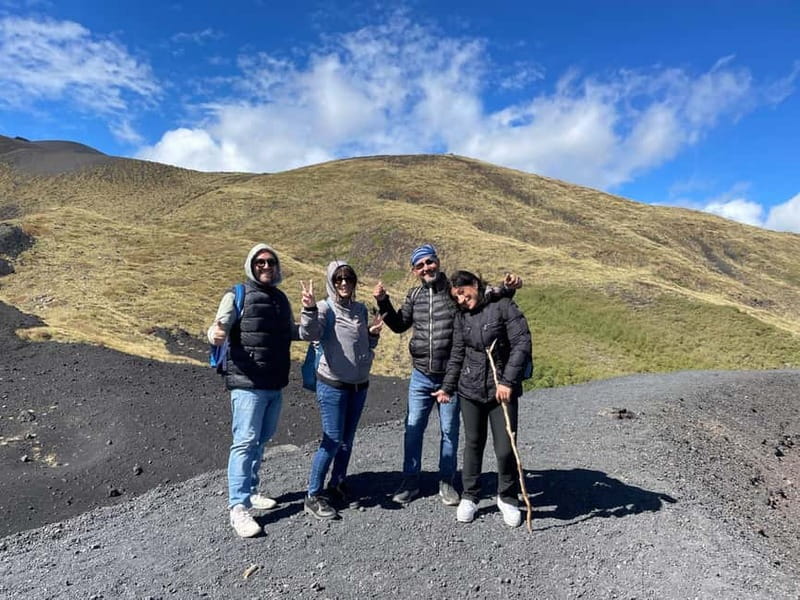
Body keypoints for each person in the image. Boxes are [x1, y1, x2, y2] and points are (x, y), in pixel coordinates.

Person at [373, 243, 521, 506]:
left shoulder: (453, 292)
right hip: (420, 375)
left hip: (450, 376)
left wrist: (509, 287)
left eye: (429, 262)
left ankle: (447, 481)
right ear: (414, 271)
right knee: (413, 429)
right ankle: (410, 481)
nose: (426, 268)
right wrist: (383, 301)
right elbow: (399, 325)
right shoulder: (414, 295)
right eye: (419, 265)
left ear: (437, 261)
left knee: (450, 431)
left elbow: (486, 293)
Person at [208, 243, 320, 538]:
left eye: (271, 262)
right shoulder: (236, 295)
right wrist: (214, 334)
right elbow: (219, 327)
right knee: (244, 442)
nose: (266, 266)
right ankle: (238, 507)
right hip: (247, 385)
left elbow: (298, 333)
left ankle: (251, 491)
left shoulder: (280, 299)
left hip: (273, 383)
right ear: (251, 265)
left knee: (260, 440)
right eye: (260, 262)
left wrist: (310, 310)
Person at [433, 270, 532, 528]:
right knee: (473, 443)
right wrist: (447, 387)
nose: (462, 300)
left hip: (502, 391)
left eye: (463, 293)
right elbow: (457, 353)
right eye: (456, 298)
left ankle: (507, 497)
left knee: (505, 447)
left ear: (475, 284)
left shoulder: (503, 305)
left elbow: (522, 342)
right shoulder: (461, 316)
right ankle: (470, 496)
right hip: (470, 389)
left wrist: (507, 381)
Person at [303, 261, 384, 520]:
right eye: (338, 279)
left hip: (359, 384)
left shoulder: (360, 309)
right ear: (331, 282)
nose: (344, 283)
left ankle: (337, 483)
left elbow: (364, 345)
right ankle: (313, 495)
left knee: (347, 439)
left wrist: (373, 335)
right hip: (333, 384)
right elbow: (309, 333)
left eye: (349, 278)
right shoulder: (324, 308)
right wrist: (309, 308)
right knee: (332, 439)